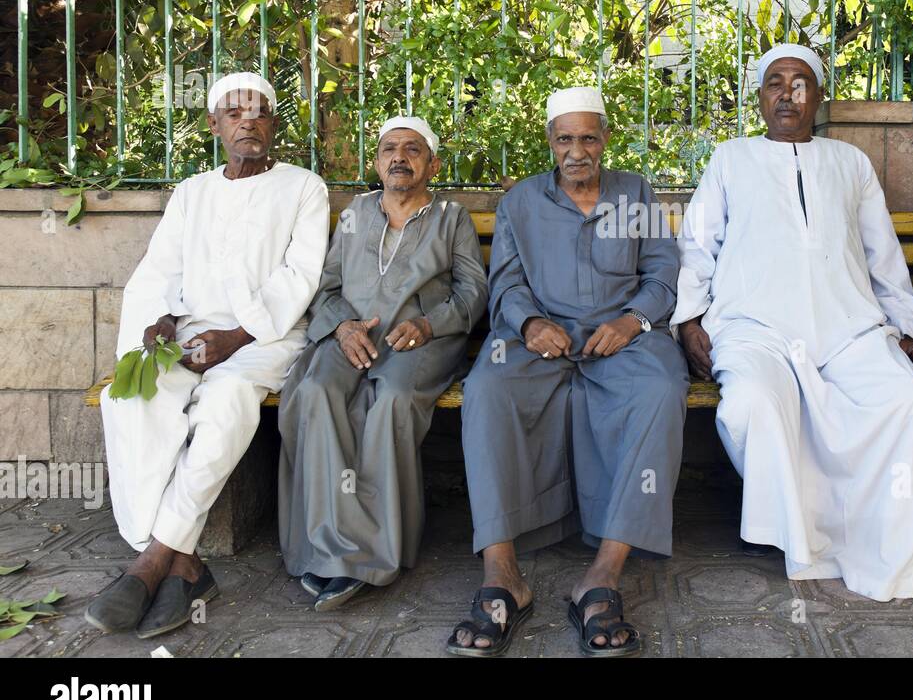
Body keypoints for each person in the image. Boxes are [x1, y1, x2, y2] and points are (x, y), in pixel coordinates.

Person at [672, 44, 913, 602]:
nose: (788, 93)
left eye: (801, 83)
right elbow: (698, 248)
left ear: (818, 97)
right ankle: (805, 541)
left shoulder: (850, 163)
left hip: (848, 328)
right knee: (751, 405)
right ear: (759, 97)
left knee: (910, 404)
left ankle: (883, 559)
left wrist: (908, 325)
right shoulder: (731, 158)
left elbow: (883, 256)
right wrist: (688, 320)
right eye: (776, 82)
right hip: (754, 329)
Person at [448, 86, 688, 657]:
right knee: (486, 387)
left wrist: (632, 323)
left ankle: (602, 576)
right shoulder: (521, 202)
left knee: (660, 388)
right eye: (565, 139)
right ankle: (502, 575)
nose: (576, 151)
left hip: (621, 339)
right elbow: (504, 283)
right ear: (551, 143)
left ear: (605, 139)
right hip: (539, 339)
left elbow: (662, 277)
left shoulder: (636, 193)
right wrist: (529, 325)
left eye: (587, 137)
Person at [88, 71, 329, 639]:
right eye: (235, 113)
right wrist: (160, 323)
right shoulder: (192, 191)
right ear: (214, 125)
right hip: (187, 337)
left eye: (261, 112)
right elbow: (159, 271)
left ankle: (151, 562)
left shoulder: (304, 187)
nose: (249, 121)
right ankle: (186, 564)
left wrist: (236, 337)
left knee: (224, 410)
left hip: (263, 339)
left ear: (273, 125)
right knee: (130, 400)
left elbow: (301, 277)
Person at [277, 116, 487, 611]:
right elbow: (326, 288)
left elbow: (473, 290)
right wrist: (343, 327)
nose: (399, 157)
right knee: (315, 393)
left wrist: (429, 325)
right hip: (353, 336)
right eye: (389, 148)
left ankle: (372, 554)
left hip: (420, 341)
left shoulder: (450, 216)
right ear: (376, 162)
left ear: (432, 164)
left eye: (412, 150)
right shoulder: (356, 211)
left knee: (390, 399)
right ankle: (322, 546)